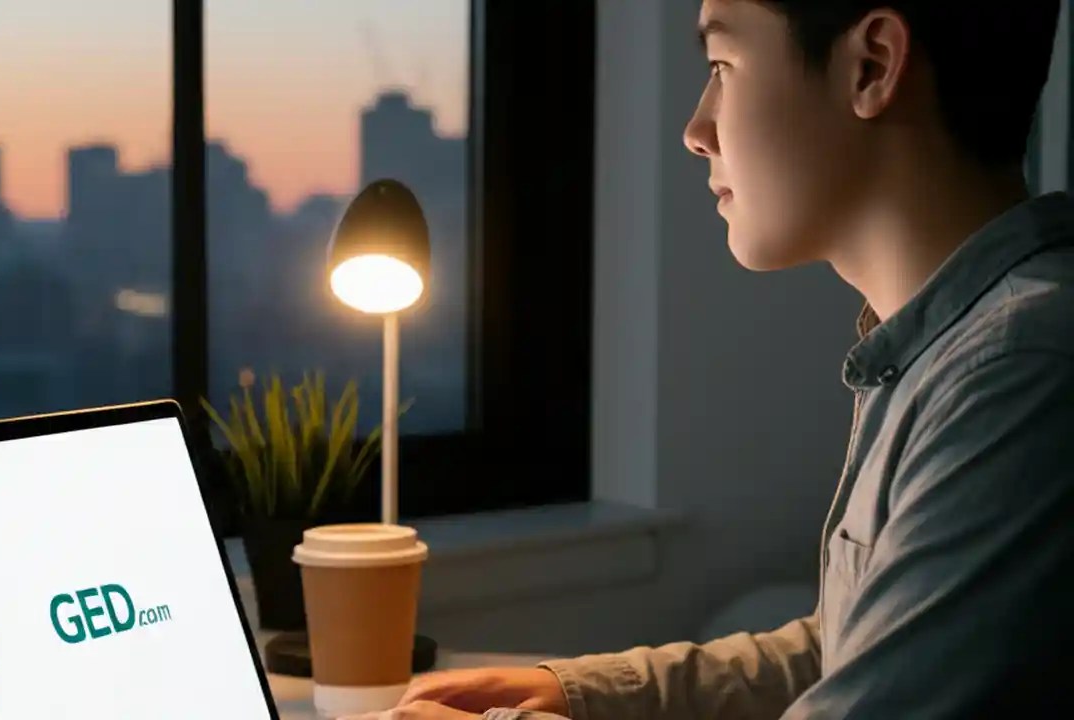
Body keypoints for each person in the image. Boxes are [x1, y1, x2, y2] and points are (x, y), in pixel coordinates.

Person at [342, 0, 1074, 718]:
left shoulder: (1018, 371)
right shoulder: (943, 350)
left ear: (872, 66)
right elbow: (848, 651)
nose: (696, 130)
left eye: (723, 63)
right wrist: (576, 692)